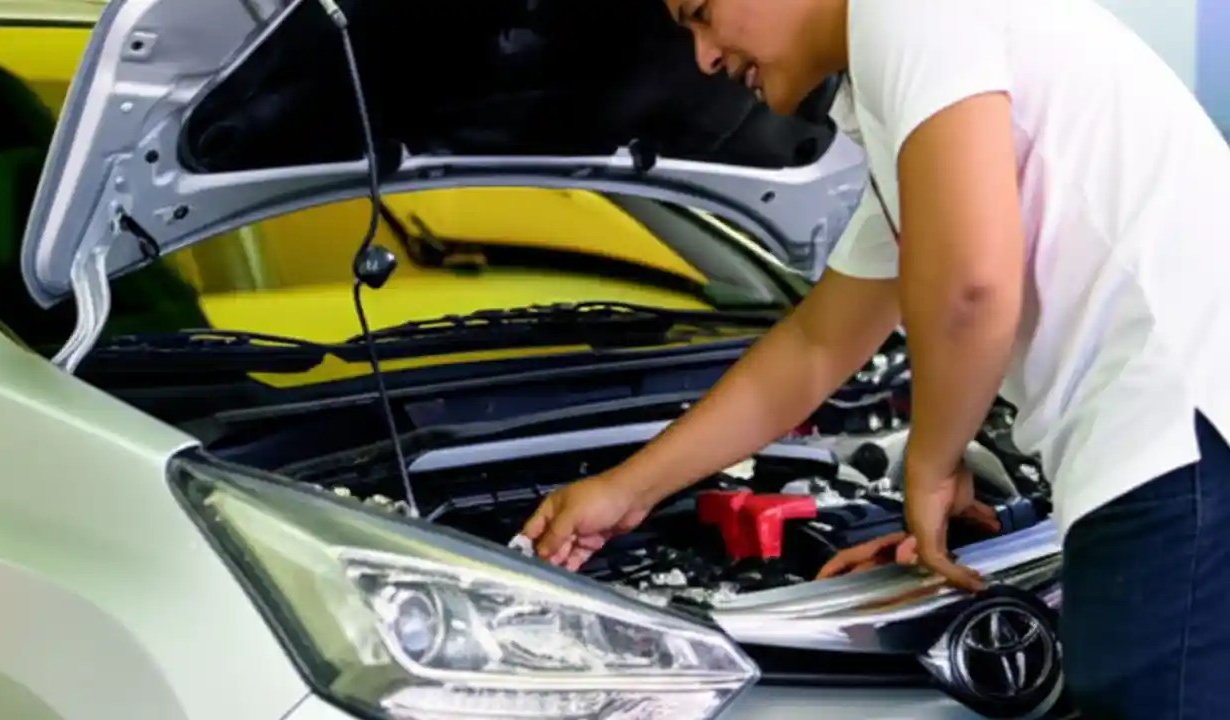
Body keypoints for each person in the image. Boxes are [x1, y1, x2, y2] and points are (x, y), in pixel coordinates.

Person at [520, 0, 1230, 716]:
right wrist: (627, 491)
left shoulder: (908, 13)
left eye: (700, 12)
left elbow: (972, 284)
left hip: (1180, 437)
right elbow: (817, 343)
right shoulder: (916, 101)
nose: (703, 57)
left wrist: (932, 461)